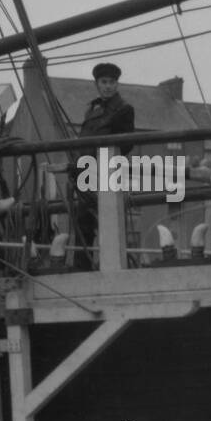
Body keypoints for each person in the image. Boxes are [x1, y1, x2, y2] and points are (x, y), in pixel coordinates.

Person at [72, 63, 135, 268]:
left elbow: (126, 143)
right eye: (104, 82)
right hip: (87, 171)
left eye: (112, 82)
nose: (108, 86)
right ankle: (81, 270)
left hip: (108, 171)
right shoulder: (92, 109)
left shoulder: (124, 109)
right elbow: (84, 139)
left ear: (117, 84)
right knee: (83, 222)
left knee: (109, 220)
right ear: (97, 84)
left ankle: (113, 268)